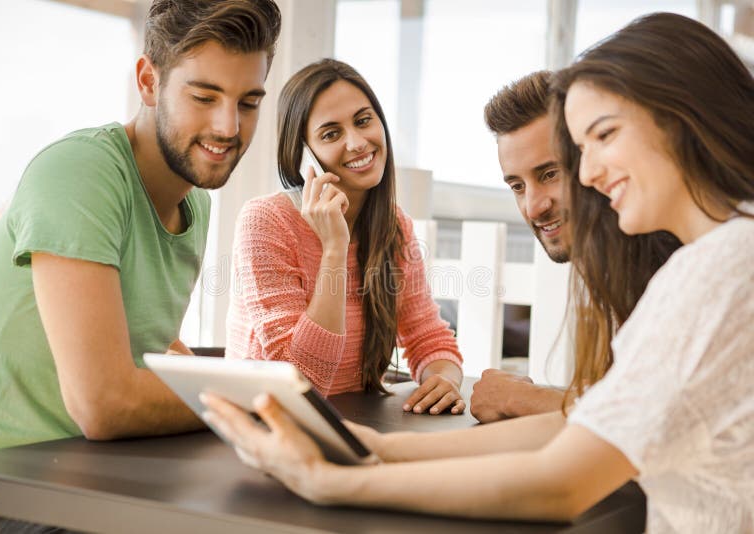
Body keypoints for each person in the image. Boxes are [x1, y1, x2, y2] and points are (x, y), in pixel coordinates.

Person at [201, 13, 754, 530]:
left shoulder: (714, 272)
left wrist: (329, 480)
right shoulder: (715, 262)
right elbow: (589, 424)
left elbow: (561, 475)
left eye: (603, 136)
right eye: (580, 150)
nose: (587, 174)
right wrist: (377, 446)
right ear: (302, 156)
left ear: (683, 121)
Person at [0, 0, 281, 451]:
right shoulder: (80, 172)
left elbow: (150, 341)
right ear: (148, 81)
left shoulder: (195, 203)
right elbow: (104, 403)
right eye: (204, 97)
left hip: (80, 458)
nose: (229, 127)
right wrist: (254, 398)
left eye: (248, 103)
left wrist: (246, 388)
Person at [225, 58, 465, 414]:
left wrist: (444, 379)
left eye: (363, 120)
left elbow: (428, 338)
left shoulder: (395, 226)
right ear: (304, 155)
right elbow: (300, 382)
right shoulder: (265, 221)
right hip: (268, 422)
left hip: (358, 423)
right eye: (331, 134)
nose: (357, 143)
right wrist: (334, 249)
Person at [472, 71, 680, 423]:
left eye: (550, 173)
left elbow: (655, 420)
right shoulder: (612, 267)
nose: (533, 207)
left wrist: (524, 398)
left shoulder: (671, 262)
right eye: (518, 186)